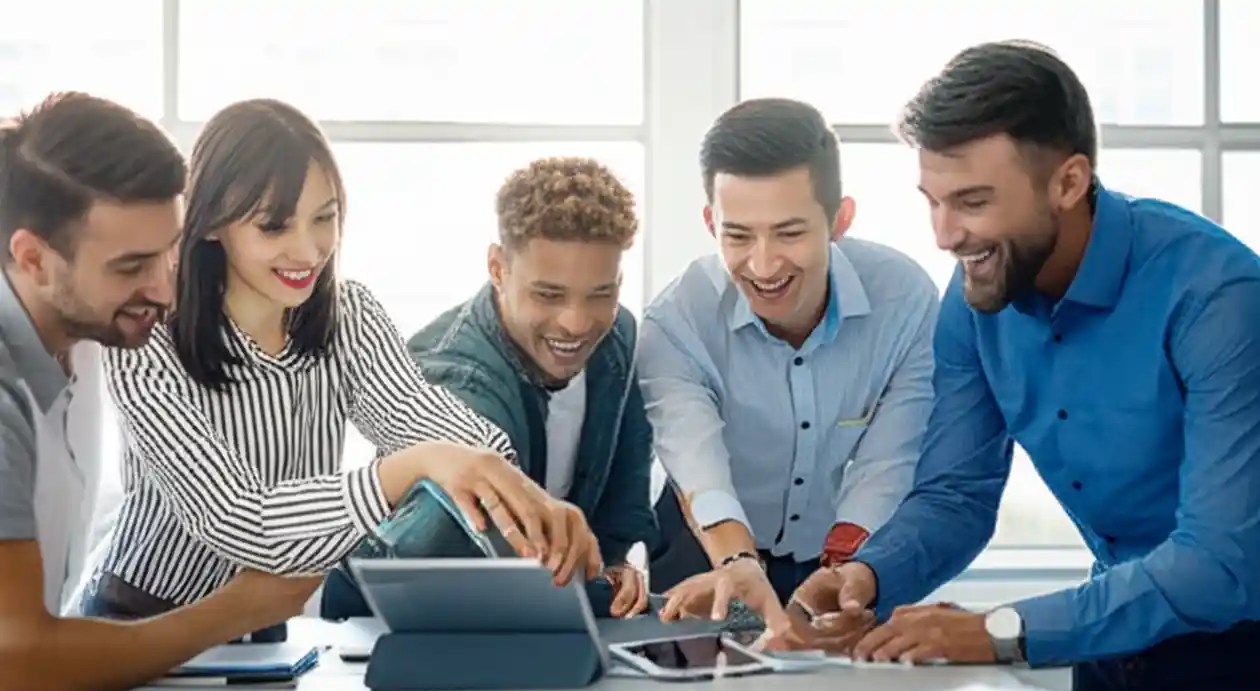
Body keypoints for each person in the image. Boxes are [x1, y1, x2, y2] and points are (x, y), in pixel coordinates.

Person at [789, 41, 1260, 691]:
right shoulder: (971, 302)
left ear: (1069, 183)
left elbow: (1217, 569)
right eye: (932, 201)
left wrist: (997, 631)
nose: (943, 234)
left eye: (972, 201)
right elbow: (956, 496)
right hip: (1111, 655)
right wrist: (865, 577)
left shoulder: (1220, 298)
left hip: (1254, 657)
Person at [80, 99, 601, 624]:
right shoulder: (147, 338)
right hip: (141, 619)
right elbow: (242, 520)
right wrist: (405, 470)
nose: (308, 251)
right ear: (213, 221)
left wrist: (528, 499)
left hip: (262, 628)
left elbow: (428, 421)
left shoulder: (349, 315)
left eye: (324, 218)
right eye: (274, 227)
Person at [0, 92, 324, 691]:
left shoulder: (87, 332)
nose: (167, 288)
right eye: (131, 267)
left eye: (169, 251)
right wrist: (242, 606)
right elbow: (15, 666)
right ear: (33, 260)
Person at [638, 98, 939, 631]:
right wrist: (736, 561)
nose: (763, 264)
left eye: (790, 232)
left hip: (841, 547)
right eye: (738, 234)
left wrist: (841, 574)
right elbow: (696, 465)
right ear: (711, 223)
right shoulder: (676, 319)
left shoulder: (905, 301)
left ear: (839, 219)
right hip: (706, 548)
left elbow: (887, 463)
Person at [320, 156, 659, 619]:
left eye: (601, 293)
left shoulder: (618, 335)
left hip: (547, 621)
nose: (577, 322)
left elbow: (625, 508)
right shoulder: (450, 373)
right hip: (395, 623)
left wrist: (618, 566)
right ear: (498, 268)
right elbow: (487, 535)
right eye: (549, 295)